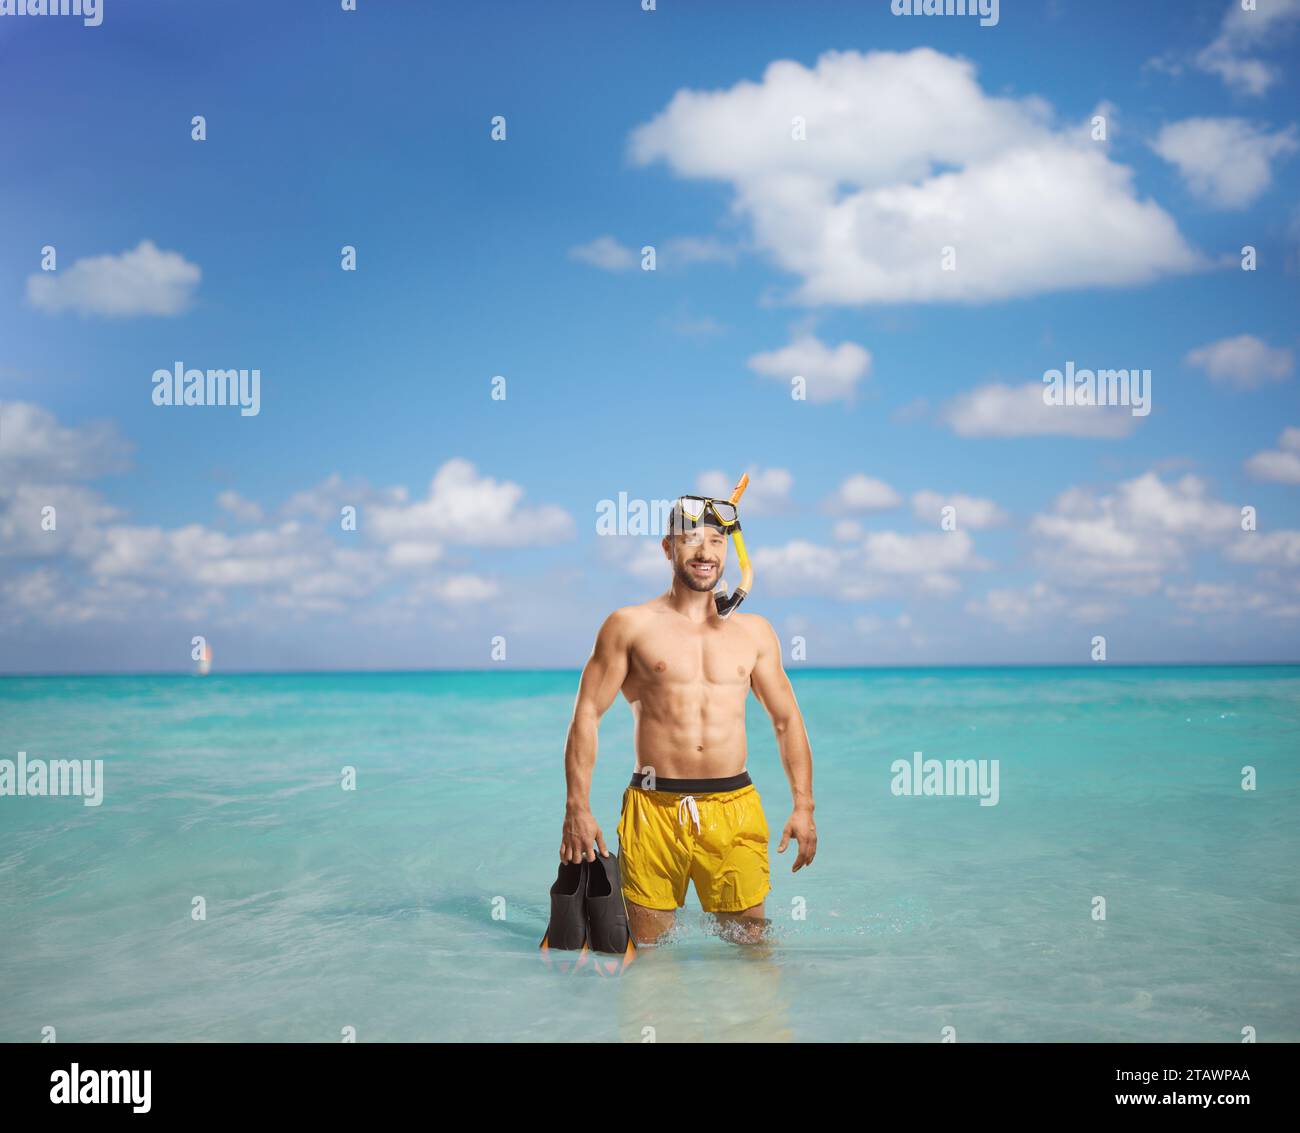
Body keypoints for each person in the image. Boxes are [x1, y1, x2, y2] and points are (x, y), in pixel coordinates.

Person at [559, 496, 816, 945]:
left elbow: (786, 720)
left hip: (734, 807)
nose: (704, 552)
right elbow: (587, 713)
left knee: (752, 950)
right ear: (667, 548)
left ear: (730, 551)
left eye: (716, 540)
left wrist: (804, 807)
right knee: (650, 956)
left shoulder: (754, 632)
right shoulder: (629, 625)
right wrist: (577, 807)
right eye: (691, 539)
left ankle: (756, 1020)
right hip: (653, 811)